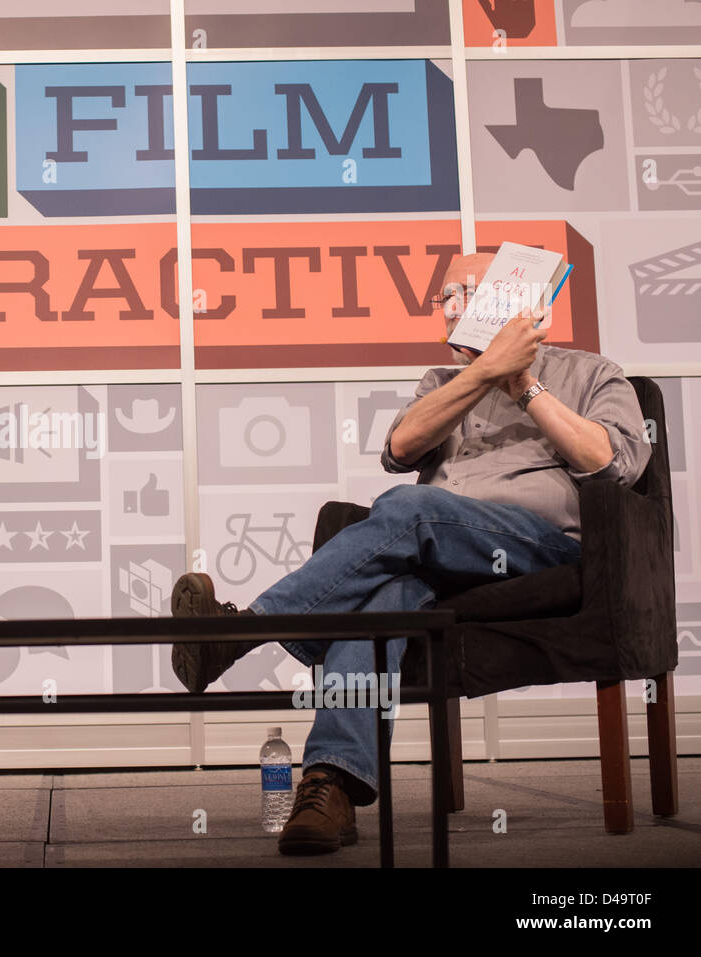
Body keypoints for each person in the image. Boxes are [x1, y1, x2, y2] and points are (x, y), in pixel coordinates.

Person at [170, 251, 651, 855]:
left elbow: (614, 463)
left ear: (515, 300)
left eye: (465, 295)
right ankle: (332, 785)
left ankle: (246, 632)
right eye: (443, 298)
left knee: (409, 507)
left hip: (540, 549)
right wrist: (480, 375)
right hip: (440, 556)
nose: (450, 311)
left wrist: (522, 382)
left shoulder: (591, 372)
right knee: (382, 605)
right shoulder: (443, 384)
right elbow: (400, 447)